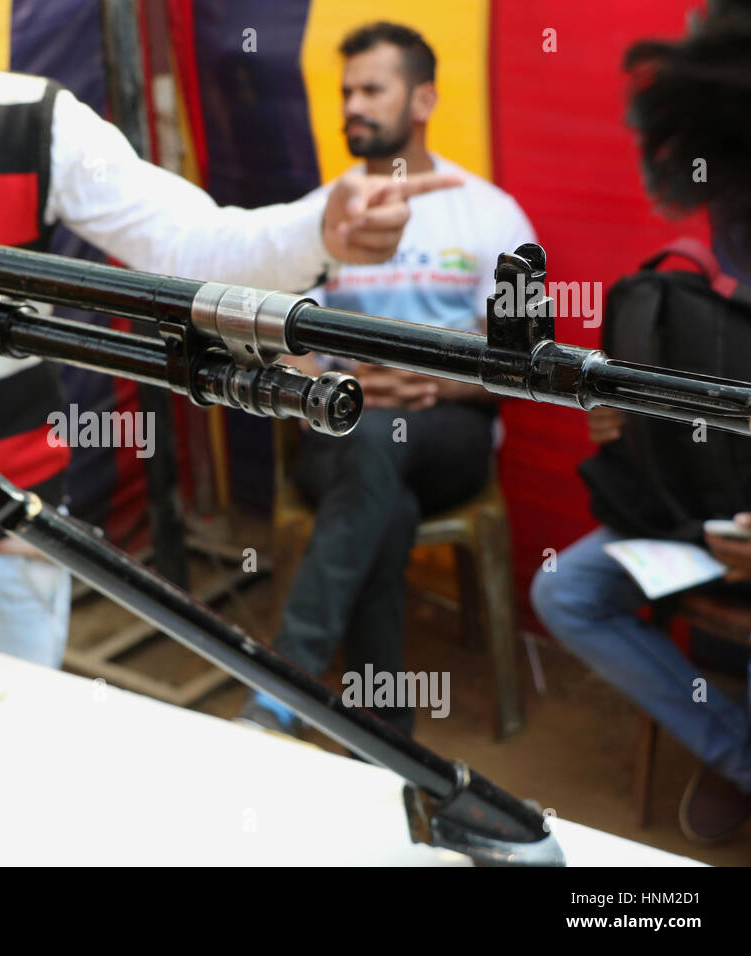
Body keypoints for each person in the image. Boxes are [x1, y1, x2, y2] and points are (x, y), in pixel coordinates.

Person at [0, 0, 462, 669]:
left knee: (3, 798)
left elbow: (190, 242)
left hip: (7, 542)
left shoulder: (38, 118)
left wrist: (318, 227)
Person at [238, 22, 534, 739]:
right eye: (346, 92)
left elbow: (525, 363)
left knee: (378, 457)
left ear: (424, 98)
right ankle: (386, 731)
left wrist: (435, 380)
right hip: (339, 429)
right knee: (381, 491)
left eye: (373, 89)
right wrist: (320, 379)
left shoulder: (492, 214)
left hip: (449, 433)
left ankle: (285, 683)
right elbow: (271, 348)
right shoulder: (318, 221)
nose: (353, 107)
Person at [532, 0, 751, 844]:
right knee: (568, 589)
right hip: (707, 519)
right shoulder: (719, 229)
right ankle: (740, 754)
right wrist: (639, 428)